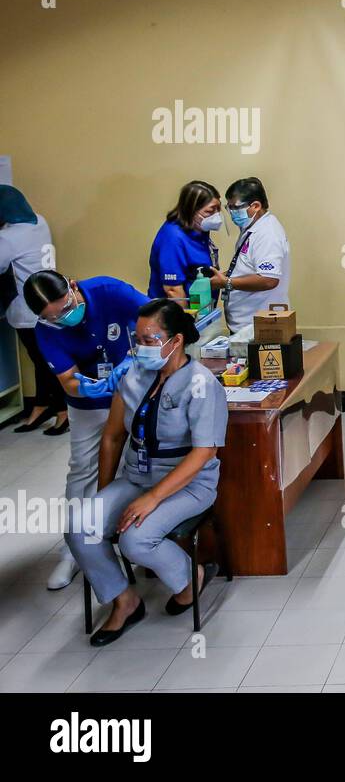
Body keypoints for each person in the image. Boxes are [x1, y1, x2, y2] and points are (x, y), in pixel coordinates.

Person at [68, 299, 226, 646]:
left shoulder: (201, 384)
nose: (141, 347)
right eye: (137, 339)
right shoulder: (133, 376)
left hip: (189, 483)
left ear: (177, 341)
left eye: (150, 339)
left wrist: (153, 499)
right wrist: (105, 494)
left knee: (135, 539)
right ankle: (125, 601)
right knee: (82, 526)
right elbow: (111, 437)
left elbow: (204, 453)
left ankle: (191, 578)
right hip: (137, 476)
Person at [24, 270, 148, 589]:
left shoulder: (109, 290)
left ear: (73, 287)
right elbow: (68, 381)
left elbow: (157, 317)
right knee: (82, 470)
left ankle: (128, 538)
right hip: (87, 406)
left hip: (133, 390)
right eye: (52, 317)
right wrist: (88, 388)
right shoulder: (46, 330)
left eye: (65, 309)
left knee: (130, 465)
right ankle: (74, 550)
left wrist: (135, 358)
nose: (63, 319)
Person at [0, 185, 67, 435]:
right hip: (51, 301)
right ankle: (40, 406)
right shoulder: (40, 221)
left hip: (28, 309)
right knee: (42, 361)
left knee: (44, 362)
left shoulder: (7, 237)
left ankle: (61, 412)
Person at [208, 177, 291, 333]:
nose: (231, 213)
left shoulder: (268, 234)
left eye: (235, 207)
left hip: (258, 329)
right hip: (245, 327)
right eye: (229, 207)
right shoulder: (252, 228)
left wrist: (227, 282)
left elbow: (269, 279)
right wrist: (222, 277)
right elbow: (246, 269)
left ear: (256, 206)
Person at [148, 180, 223, 301]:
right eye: (210, 211)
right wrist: (186, 319)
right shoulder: (173, 237)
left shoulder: (199, 230)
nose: (217, 215)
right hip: (175, 312)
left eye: (218, 209)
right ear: (191, 209)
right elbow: (173, 291)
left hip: (201, 307)